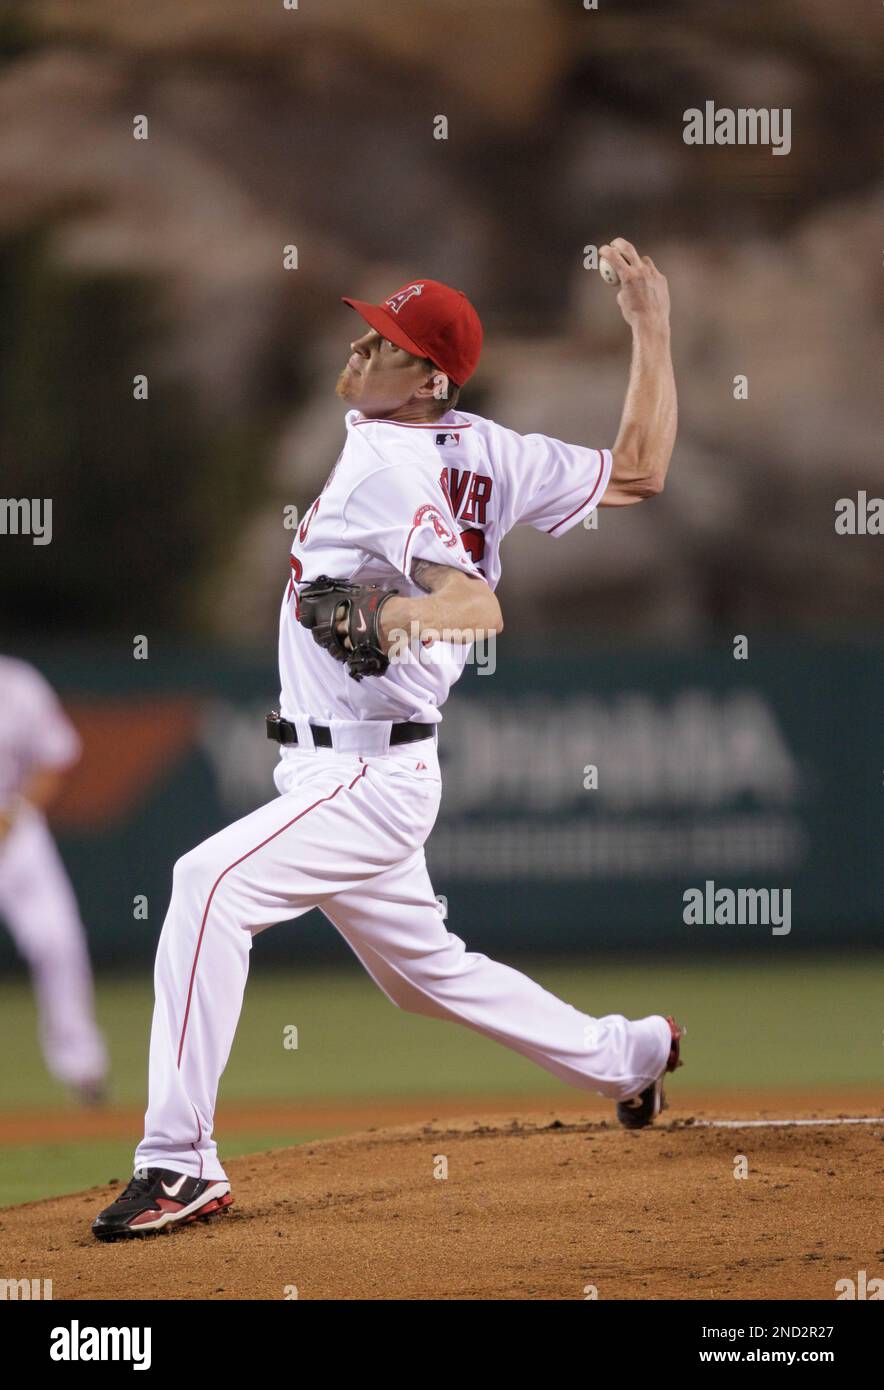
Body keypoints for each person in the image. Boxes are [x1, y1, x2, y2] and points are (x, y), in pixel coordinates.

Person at [93, 237, 681, 1241]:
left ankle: (179, 1162)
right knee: (424, 975)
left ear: (428, 379)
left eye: (386, 343)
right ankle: (623, 1053)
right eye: (368, 331)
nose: (362, 350)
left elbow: (476, 605)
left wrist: (400, 619)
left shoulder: (381, 459)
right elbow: (637, 471)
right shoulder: (487, 449)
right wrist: (651, 330)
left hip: (361, 769)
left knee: (206, 886)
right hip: (367, 760)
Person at [0, 656, 108, 1103]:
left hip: (13, 828)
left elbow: (55, 754)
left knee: (57, 941)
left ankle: (82, 1069)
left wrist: (16, 814)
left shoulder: (17, 683)